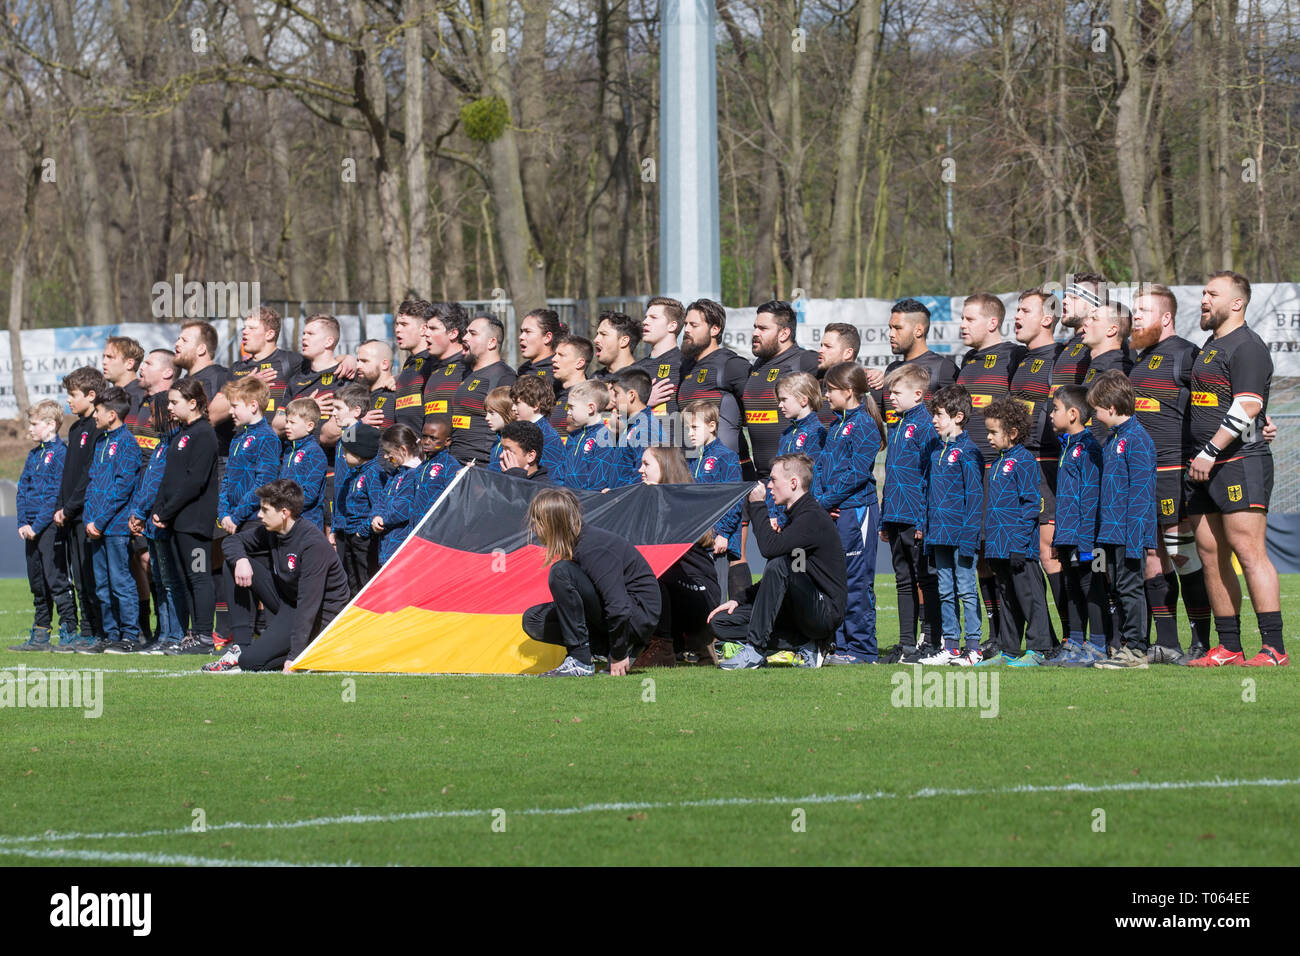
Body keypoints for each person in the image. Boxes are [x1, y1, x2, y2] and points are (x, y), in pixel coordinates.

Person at [1185, 271, 1285, 667]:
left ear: (1237, 303)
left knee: (1249, 552)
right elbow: (1230, 398)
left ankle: (1274, 649)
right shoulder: (1210, 345)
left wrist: (1210, 450)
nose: (1204, 299)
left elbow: (1248, 404)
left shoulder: (1248, 345)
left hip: (1238, 462)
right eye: (1203, 293)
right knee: (1210, 555)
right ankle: (1229, 648)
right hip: (1203, 466)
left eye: (1213, 294)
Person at [1128, 282, 1213, 661]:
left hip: (1174, 472)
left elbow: (1220, 397)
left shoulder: (1187, 355)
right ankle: (1167, 643)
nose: (1135, 319)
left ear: (1166, 317)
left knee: (1183, 556)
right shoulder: (1137, 359)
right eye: (1133, 313)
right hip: (1139, 475)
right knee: (1151, 557)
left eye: (1142, 312)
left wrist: (1260, 422)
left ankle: (1201, 641)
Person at [710, 454, 847, 669]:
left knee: (779, 564)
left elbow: (769, 549)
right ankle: (806, 644)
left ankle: (755, 651)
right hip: (798, 609)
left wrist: (757, 505)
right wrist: (739, 599)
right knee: (721, 623)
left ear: (794, 483)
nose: (769, 486)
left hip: (822, 612)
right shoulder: (796, 516)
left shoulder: (811, 517)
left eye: (773, 480)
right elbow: (788, 571)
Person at [206, 479, 350, 673]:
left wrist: (294, 658)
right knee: (232, 563)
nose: (259, 515)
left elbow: (308, 606)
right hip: (289, 602)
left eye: (265, 510)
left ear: (284, 513)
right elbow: (231, 543)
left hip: (317, 617)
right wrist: (241, 560)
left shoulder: (312, 544)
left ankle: (310, 651)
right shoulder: (273, 531)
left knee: (250, 662)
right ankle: (240, 645)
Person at [522, 487, 662, 677]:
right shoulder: (577, 545)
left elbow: (619, 606)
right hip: (619, 613)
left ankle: (581, 660)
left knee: (561, 572)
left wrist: (619, 652)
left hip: (635, 618)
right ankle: (596, 652)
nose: (533, 527)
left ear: (553, 523)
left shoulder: (593, 548)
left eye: (537, 521)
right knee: (534, 620)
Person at [955, 292, 1023, 637]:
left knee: (1003, 556)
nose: (962, 324)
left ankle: (1021, 636)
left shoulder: (1015, 356)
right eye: (962, 318)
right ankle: (995, 635)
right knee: (979, 557)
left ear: (992, 322)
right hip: (968, 477)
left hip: (1002, 475)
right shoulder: (966, 361)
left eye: (969, 319)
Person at [813, 362, 885, 664]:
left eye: (830, 390)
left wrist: (825, 501)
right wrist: (818, 499)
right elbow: (821, 467)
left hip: (857, 512)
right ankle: (840, 646)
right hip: (835, 512)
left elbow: (857, 473)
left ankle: (862, 649)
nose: (826, 395)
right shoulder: (836, 424)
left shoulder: (865, 424)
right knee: (837, 581)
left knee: (857, 581)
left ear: (848, 391)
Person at [1089, 371, 1159, 669]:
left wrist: (1136, 540)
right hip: (1111, 533)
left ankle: (1137, 651)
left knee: (1131, 588)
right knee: (1117, 586)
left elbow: (1142, 493)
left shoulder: (1137, 439)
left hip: (1129, 534)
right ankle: (1124, 647)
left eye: (1096, 408)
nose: (1094, 414)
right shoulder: (1113, 439)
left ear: (1112, 408)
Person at [1008, 288, 1065, 646]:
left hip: (1050, 466)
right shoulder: (1019, 358)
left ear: (1046, 319)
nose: (1017, 316)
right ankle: (1048, 640)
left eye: (1025, 310)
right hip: (1022, 467)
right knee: (1027, 555)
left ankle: (1076, 638)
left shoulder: (1062, 357)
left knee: (1051, 553)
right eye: (1016, 309)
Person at [976, 398, 1051, 666]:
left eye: (994, 432)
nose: (988, 437)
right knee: (1006, 598)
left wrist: (1019, 544)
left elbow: (1031, 505)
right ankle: (1008, 649)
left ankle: (1039, 649)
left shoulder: (1024, 460)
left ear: (1013, 433)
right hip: (998, 547)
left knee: (1030, 598)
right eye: (988, 431)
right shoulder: (996, 463)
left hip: (1020, 548)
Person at [210, 376, 282, 656]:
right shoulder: (239, 438)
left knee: (258, 578)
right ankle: (241, 644)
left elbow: (264, 483)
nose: (231, 412)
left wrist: (238, 514)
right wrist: (224, 514)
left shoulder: (266, 438)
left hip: (255, 521)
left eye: (235, 406)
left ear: (253, 405)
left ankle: (272, 641)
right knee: (232, 575)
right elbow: (227, 481)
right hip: (235, 521)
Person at [149, 378, 220, 654]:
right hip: (176, 522)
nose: (169, 407)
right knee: (185, 577)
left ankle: (204, 637)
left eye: (174, 402)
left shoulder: (204, 434)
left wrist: (166, 511)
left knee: (199, 576)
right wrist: (158, 509)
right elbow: (169, 480)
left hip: (195, 524)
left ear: (193, 403)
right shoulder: (180, 435)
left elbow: (195, 481)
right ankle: (192, 635)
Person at [880, 363, 943, 662]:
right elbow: (891, 477)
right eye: (889, 391)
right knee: (903, 580)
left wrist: (922, 521)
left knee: (926, 579)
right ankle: (906, 643)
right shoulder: (898, 425)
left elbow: (929, 478)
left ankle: (931, 639)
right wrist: (884, 518)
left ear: (918, 394)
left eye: (897, 392)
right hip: (894, 516)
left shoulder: (926, 426)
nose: (891, 397)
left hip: (914, 518)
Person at [638, 446, 722, 666]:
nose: (640, 470)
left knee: (650, 575)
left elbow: (664, 541)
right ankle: (673, 643)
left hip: (700, 593)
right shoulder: (650, 500)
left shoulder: (684, 504)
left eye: (646, 464)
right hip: (677, 588)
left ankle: (664, 647)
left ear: (665, 468)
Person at [1044, 385, 1110, 667]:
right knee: (1072, 585)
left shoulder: (1088, 447)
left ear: (1072, 414)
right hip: (1069, 535)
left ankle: (1098, 644)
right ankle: (1073, 641)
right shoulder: (1067, 446)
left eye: (1055, 409)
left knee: (1092, 586)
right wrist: (1060, 538)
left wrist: (1087, 542)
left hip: (1088, 538)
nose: (1050, 415)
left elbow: (1090, 498)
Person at [919, 385, 985, 665]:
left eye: (940, 415)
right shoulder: (935, 451)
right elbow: (928, 492)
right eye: (933, 414)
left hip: (961, 537)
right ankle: (950, 647)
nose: (934, 420)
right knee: (945, 591)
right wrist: (926, 528)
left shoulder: (969, 452)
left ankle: (974, 647)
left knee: (967, 590)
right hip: (939, 535)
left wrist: (970, 537)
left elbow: (975, 497)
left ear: (958, 417)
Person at [9, 401, 76, 651]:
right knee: (37, 582)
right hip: (31, 530)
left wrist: (36, 526)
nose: (30, 428)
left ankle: (69, 631)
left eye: (35, 423)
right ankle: (41, 633)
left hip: (49, 529)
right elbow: (22, 490)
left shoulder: (60, 453)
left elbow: (53, 496)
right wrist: (22, 522)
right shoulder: (34, 454)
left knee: (57, 580)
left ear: (50, 425)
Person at [81, 386, 144, 654]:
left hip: (115, 527)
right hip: (95, 526)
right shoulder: (100, 441)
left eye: (97, 411)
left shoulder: (128, 443)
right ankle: (110, 634)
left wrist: (101, 520)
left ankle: (131, 635)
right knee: (102, 585)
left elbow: (122, 490)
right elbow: (93, 482)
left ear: (111, 414)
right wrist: (89, 519)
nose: (94, 416)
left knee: (121, 582)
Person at [51, 366, 105, 652]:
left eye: (73, 395)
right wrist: (61, 506)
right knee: (79, 577)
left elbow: (88, 474)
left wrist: (71, 507)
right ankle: (86, 630)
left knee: (91, 575)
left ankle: (98, 630)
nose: (68, 401)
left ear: (91, 395)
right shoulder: (74, 428)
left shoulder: (98, 427)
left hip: (86, 515)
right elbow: (69, 474)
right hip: (69, 515)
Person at [127, 395, 185, 653]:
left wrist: (142, 511)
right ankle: (164, 634)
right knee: (161, 582)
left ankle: (176, 634)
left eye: (153, 414)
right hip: (150, 520)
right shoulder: (162, 443)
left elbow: (158, 484)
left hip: (162, 521)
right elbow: (147, 483)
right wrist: (139, 510)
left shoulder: (175, 443)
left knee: (171, 582)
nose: (149, 420)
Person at [742, 299, 820, 480]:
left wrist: (871, 374)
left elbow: (845, 372)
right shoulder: (757, 366)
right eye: (755, 327)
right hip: (762, 478)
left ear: (784, 333)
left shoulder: (803, 360)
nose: (755, 333)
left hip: (796, 481)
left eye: (763, 328)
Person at [673, 298, 750, 453]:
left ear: (715, 329)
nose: (686, 330)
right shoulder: (684, 366)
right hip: (692, 467)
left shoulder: (732, 364)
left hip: (728, 469)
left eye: (694, 325)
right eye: (686, 324)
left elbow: (754, 414)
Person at [870, 299, 959, 429]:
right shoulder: (891, 369)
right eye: (890, 328)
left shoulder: (942, 368)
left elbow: (956, 423)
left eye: (898, 328)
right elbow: (883, 416)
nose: (891, 334)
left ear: (918, 331)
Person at [450, 315, 518, 463]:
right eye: (466, 332)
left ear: (491, 342)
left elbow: (512, 427)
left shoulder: (504, 377)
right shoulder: (466, 373)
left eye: (473, 333)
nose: (465, 337)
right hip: (455, 465)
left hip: (482, 467)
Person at [681, 399, 742, 559]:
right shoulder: (692, 459)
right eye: (687, 429)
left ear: (712, 426)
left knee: (716, 583)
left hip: (717, 541)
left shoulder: (727, 456)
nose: (689, 433)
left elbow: (734, 499)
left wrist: (723, 533)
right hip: (696, 536)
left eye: (694, 428)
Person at [766, 372, 826, 528]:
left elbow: (815, 477)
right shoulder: (786, 434)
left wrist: (815, 510)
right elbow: (775, 476)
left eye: (784, 400)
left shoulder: (816, 433)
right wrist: (772, 512)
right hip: (782, 514)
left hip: (802, 515)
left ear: (803, 400)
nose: (780, 405)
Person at [335, 423, 387, 596]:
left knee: (366, 580)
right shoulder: (354, 473)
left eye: (347, 452)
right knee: (352, 580)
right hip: (350, 534)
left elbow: (378, 506)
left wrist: (362, 532)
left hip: (364, 539)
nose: (343, 456)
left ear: (361, 452)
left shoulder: (374, 474)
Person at [277, 313, 345, 441]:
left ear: (328, 341)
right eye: (303, 333)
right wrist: (307, 407)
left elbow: (335, 434)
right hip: (293, 458)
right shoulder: (296, 379)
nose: (303, 338)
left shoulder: (345, 377)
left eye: (311, 334)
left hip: (329, 460)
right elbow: (276, 426)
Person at [174, 320, 233, 455]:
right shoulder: (180, 382)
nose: (177, 344)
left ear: (201, 349)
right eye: (178, 339)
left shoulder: (222, 377)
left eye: (184, 340)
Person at [231, 306, 302, 418]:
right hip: (243, 435)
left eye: (252, 328)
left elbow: (325, 365)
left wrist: (340, 360)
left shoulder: (292, 361)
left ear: (269, 334)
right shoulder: (236, 368)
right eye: (244, 328)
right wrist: (247, 385)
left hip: (278, 434)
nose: (244, 332)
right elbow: (216, 413)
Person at [1079, 302, 1135, 445]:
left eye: (1094, 319)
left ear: (1111, 330)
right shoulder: (1096, 364)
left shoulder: (1116, 371)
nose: (1085, 322)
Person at [371, 424, 425, 565]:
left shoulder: (414, 474)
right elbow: (381, 499)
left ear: (402, 450)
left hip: (400, 542)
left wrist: (383, 518)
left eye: (389, 452)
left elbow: (403, 508)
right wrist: (375, 515)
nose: (386, 456)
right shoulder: (397, 473)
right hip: (387, 542)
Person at [560, 380, 621, 491]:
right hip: (566, 502)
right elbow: (562, 472)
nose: (568, 412)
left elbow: (598, 481)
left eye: (571, 407)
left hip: (588, 503)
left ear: (590, 408)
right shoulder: (573, 436)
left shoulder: (604, 439)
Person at [1051, 273, 1106, 393]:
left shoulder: (1106, 345)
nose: (1064, 301)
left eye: (1074, 298)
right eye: (1065, 296)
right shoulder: (1065, 346)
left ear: (1094, 306)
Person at [279, 398, 329, 530]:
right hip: (285, 521)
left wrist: (282, 503)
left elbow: (310, 494)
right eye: (286, 422)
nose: (287, 426)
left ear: (309, 426)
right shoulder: (289, 450)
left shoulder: (314, 453)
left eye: (292, 422)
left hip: (307, 522)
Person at [609, 367, 661, 486]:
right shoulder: (632, 425)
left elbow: (642, 476)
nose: (613, 400)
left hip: (631, 501)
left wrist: (619, 494)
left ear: (631, 395)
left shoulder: (646, 428)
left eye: (616, 394)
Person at [421, 302, 470, 426]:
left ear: (453, 333)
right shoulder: (429, 366)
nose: (426, 333)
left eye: (433, 328)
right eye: (426, 328)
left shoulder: (469, 366)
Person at [509, 375, 566, 479]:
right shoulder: (521, 429)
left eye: (517, 403)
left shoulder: (548, 437)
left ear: (535, 405)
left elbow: (551, 477)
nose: (513, 408)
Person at [637, 297, 685, 420]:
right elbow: (618, 421)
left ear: (672, 326)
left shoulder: (686, 366)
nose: (645, 321)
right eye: (646, 317)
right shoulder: (634, 369)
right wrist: (644, 403)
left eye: (653, 317)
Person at [393, 298, 437, 430]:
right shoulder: (410, 362)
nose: (397, 329)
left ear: (423, 329)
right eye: (397, 324)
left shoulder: (433, 362)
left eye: (404, 324)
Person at [815, 323, 860, 427]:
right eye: (821, 345)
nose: (820, 350)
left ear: (848, 353)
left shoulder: (871, 386)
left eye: (828, 346)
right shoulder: (815, 384)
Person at [550, 335, 593, 435]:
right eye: (555, 354)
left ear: (579, 363)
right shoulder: (552, 393)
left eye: (561, 355)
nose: (554, 359)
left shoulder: (591, 397)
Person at [517, 307, 564, 395]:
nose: (521, 337)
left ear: (547, 337)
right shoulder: (523, 370)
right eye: (521, 331)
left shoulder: (558, 371)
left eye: (528, 332)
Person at [591, 311, 641, 380]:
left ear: (624, 341)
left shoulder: (642, 379)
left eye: (603, 334)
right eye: (597, 334)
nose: (596, 340)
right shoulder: (595, 378)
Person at [485, 386, 517, 470]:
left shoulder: (516, 445)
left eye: (492, 413)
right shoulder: (497, 442)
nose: (486, 418)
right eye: (487, 412)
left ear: (508, 412)